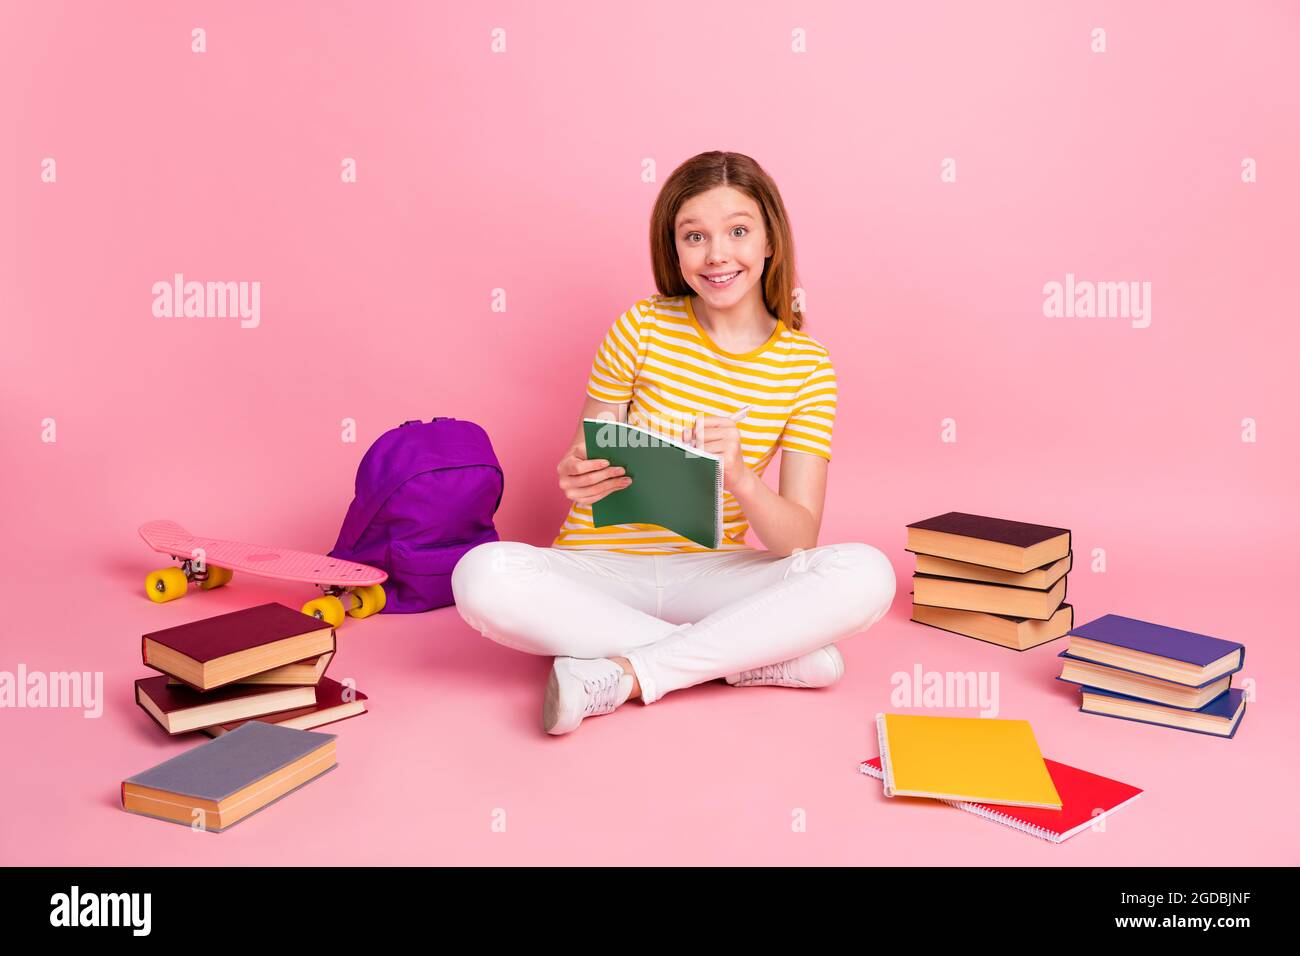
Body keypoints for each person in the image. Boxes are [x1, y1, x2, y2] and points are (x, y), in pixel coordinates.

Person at [451, 150, 896, 735]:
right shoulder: (640, 326)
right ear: (674, 248)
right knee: (482, 575)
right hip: (598, 571)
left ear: (769, 241)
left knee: (866, 573)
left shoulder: (807, 365)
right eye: (694, 236)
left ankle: (625, 674)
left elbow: (798, 539)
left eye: (738, 231)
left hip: (714, 579)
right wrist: (575, 474)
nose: (717, 255)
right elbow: (587, 456)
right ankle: (745, 661)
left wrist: (739, 477)